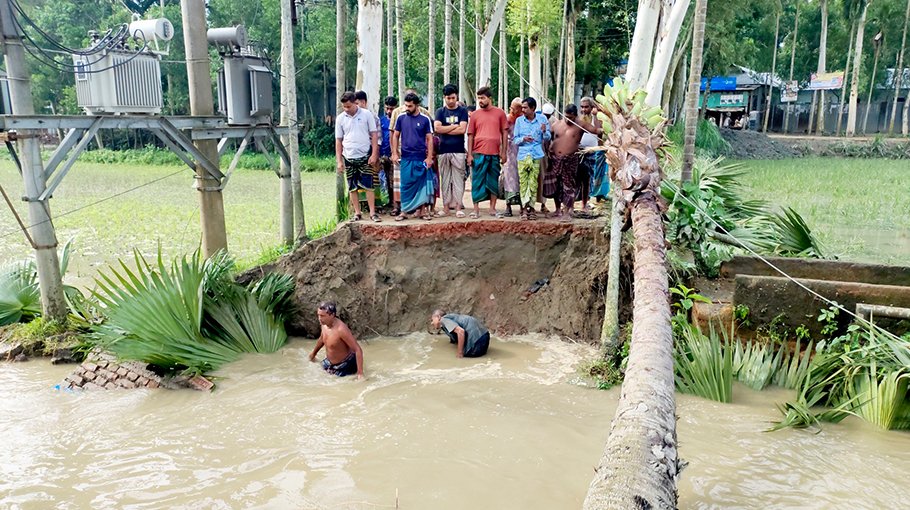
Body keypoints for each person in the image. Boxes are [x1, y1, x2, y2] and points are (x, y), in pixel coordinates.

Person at [546, 103, 600, 221]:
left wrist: (598, 117)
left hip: (570, 159)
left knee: (569, 185)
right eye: (566, 117)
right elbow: (548, 137)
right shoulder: (556, 124)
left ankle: (567, 211)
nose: (568, 120)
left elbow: (596, 130)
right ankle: (557, 209)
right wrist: (549, 150)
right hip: (555, 159)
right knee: (557, 185)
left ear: (575, 116)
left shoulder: (580, 125)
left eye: (571, 118)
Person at [335, 91, 381, 222]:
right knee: (352, 186)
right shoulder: (340, 118)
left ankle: (372, 213)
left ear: (355, 102)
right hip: (348, 156)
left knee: (368, 185)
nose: (346, 109)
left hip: (365, 155)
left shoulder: (367, 115)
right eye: (344, 107)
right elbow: (338, 140)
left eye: (348, 106)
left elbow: (374, 135)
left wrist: (374, 154)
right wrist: (339, 161)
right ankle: (357, 212)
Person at [392, 92, 436, 221]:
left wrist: (429, 158)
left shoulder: (424, 119)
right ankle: (404, 211)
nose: (407, 108)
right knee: (405, 185)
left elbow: (430, 139)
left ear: (416, 105)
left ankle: (422, 212)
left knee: (421, 185)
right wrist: (394, 153)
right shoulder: (401, 118)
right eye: (406, 105)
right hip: (406, 157)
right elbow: (395, 135)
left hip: (420, 157)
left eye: (410, 106)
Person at [466, 86, 508, 219]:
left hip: (494, 153)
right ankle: (476, 209)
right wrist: (469, 154)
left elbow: (504, 132)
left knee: (493, 180)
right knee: (477, 180)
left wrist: (504, 152)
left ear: (490, 98)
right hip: (478, 152)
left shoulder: (500, 113)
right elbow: (470, 135)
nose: (480, 101)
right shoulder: (475, 115)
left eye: (483, 98)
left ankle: (492, 208)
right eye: (478, 98)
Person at [434, 84, 469, 218]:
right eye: (448, 98)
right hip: (443, 150)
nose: (451, 101)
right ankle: (446, 207)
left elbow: (462, 129)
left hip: (458, 150)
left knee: (458, 179)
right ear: (444, 98)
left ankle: (459, 207)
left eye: (453, 98)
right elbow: (437, 129)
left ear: (457, 96)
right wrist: (454, 126)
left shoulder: (462, 111)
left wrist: (446, 128)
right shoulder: (440, 111)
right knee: (445, 180)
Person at [512, 96, 550, 220]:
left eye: (525, 107)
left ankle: (532, 208)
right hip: (523, 154)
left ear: (533, 108)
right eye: (522, 107)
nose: (522, 110)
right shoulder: (519, 121)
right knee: (523, 182)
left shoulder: (542, 119)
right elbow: (515, 140)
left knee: (533, 182)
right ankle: (523, 209)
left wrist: (544, 132)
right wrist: (523, 139)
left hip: (536, 154)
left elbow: (548, 138)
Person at [309, 301, 365, 379]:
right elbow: (322, 339)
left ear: (332, 315)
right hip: (330, 362)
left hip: (345, 364)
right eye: (318, 315)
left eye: (322, 316)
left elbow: (357, 350)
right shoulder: (324, 324)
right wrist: (313, 354)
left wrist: (360, 374)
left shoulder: (341, 330)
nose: (319, 318)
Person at [355, 90, 387, 209]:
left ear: (364, 102)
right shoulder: (352, 117)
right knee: (358, 178)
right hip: (356, 152)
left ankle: (375, 205)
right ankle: (361, 205)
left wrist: (375, 155)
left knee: (372, 178)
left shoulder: (373, 117)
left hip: (370, 151)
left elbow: (378, 139)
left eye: (357, 103)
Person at [577, 97, 604, 211]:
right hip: (578, 151)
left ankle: (585, 203)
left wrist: (596, 114)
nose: (584, 109)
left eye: (586, 107)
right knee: (576, 178)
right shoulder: (578, 119)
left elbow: (600, 132)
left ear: (592, 107)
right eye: (582, 107)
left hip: (592, 152)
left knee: (587, 179)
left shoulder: (596, 118)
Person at [501, 98, 523, 217]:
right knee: (508, 178)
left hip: (522, 152)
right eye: (511, 107)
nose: (511, 110)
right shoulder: (507, 119)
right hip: (510, 152)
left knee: (521, 178)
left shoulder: (524, 120)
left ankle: (522, 206)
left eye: (514, 108)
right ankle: (508, 206)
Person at [381, 96, 399, 214]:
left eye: (391, 108)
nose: (389, 111)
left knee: (394, 180)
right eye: (387, 108)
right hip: (383, 154)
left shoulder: (399, 119)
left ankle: (395, 203)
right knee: (385, 179)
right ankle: (387, 201)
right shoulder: (380, 120)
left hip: (395, 154)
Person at [539, 102, 557, 214]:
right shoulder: (537, 119)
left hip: (546, 154)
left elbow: (553, 138)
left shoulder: (554, 122)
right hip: (536, 152)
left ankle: (543, 204)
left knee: (543, 179)